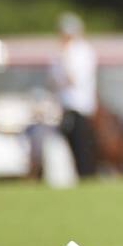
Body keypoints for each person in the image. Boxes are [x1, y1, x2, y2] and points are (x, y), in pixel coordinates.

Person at [49, 12, 98, 178]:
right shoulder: (61, 51)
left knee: (82, 149)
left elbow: (74, 78)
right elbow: (54, 80)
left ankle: (86, 177)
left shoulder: (82, 51)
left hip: (80, 108)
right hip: (64, 107)